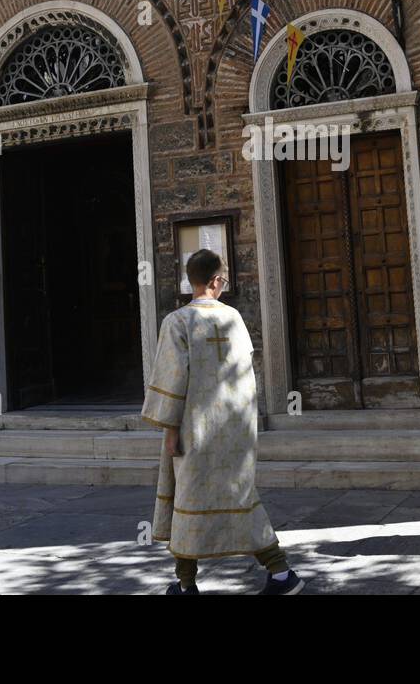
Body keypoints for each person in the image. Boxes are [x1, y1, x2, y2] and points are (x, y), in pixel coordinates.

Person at [143, 249, 302, 595]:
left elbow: (172, 381)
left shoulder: (178, 322)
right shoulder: (233, 319)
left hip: (194, 431)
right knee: (240, 499)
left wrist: (170, 431)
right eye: (224, 279)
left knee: (188, 502)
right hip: (232, 432)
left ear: (191, 279)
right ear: (216, 280)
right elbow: (246, 378)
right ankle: (279, 573)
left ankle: (187, 585)